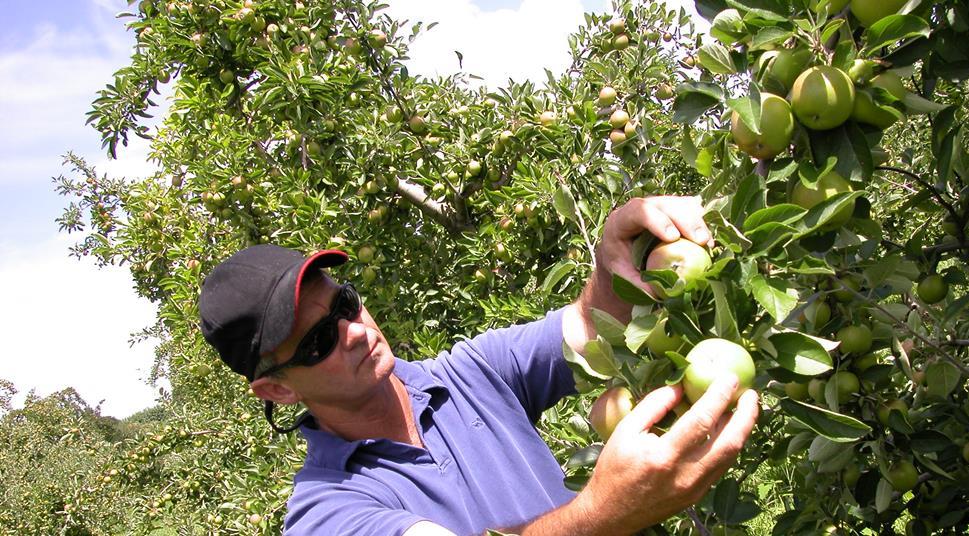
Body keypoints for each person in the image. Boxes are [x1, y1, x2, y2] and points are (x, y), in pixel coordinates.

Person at [198, 196, 759, 535]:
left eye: (345, 304)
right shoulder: (328, 512)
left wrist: (617, 247)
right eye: (319, 341)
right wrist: (603, 513)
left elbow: (590, 325)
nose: (355, 331)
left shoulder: (469, 374)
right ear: (277, 390)